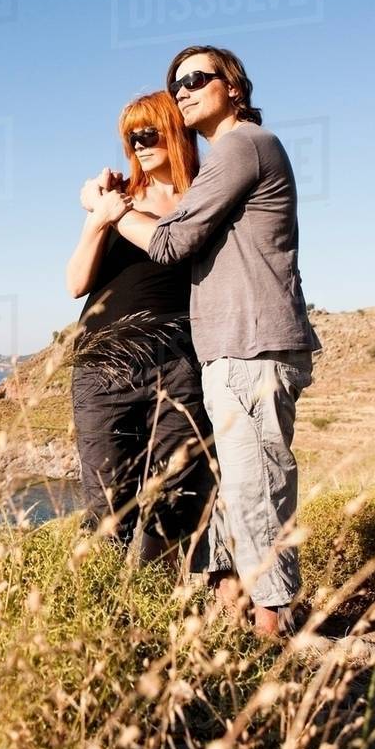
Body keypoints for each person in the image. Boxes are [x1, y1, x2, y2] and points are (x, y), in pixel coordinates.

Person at [81, 46, 320, 637]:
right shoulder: (224, 160)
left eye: (196, 78)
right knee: (230, 492)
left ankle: (271, 631)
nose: (182, 89)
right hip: (222, 353)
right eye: (175, 82)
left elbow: (170, 244)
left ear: (233, 87)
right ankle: (226, 616)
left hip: (250, 345)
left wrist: (104, 210)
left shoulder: (240, 146)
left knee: (255, 489)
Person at [66, 90, 215, 565]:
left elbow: (176, 244)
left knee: (175, 497)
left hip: (177, 363)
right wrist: (98, 218)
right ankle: (106, 617)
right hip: (102, 365)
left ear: (177, 130)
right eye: (131, 136)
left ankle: (153, 611)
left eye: (149, 131)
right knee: (108, 505)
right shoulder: (118, 199)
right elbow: (75, 284)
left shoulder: (206, 198)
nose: (140, 142)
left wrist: (116, 211)